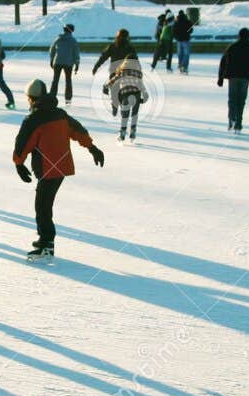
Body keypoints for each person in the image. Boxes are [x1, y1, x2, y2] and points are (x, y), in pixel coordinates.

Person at [11, 79, 104, 258]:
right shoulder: (60, 114)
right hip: (62, 167)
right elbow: (79, 131)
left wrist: (19, 164)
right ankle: (45, 240)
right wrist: (92, 148)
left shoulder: (33, 119)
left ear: (31, 99)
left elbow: (23, 143)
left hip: (47, 169)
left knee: (42, 207)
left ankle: (46, 244)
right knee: (44, 205)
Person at [217, 28, 249, 133]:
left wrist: (220, 78)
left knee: (232, 99)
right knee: (241, 101)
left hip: (233, 77)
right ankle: (239, 123)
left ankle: (232, 119)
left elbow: (223, 62)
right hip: (245, 77)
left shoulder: (232, 47)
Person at [103, 47, 147, 143]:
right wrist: (145, 94)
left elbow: (112, 81)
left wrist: (105, 86)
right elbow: (141, 85)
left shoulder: (122, 71)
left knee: (125, 115)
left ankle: (122, 132)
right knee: (134, 114)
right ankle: (133, 132)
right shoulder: (138, 73)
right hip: (136, 94)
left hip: (125, 94)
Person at [48, 23, 80, 102]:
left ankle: (52, 97)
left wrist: (52, 60)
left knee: (55, 80)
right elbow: (76, 53)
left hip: (57, 62)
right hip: (68, 63)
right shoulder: (73, 40)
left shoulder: (58, 39)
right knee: (68, 81)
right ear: (72, 31)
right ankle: (68, 99)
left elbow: (52, 50)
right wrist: (77, 64)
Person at [171, 8, 194, 74]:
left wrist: (176, 37)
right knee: (186, 54)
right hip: (186, 40)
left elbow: (173, 31)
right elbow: (191, 30)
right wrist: (186, 32)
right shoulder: (187, 21)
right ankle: (184, 67)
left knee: (180, 54)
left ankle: (180, 65)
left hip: (179, 40)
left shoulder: (176, 21)